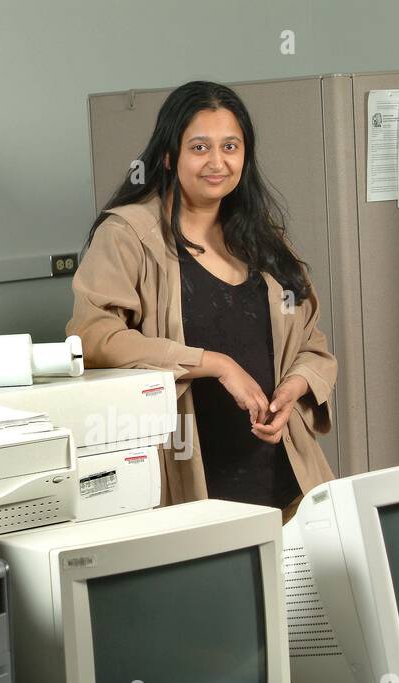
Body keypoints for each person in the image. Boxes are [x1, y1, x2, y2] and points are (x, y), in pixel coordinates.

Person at [68, 80, 336, 515]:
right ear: (169, 156)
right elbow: (93, 338)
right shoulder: (129, 235)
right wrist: (215, 365)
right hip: (190, 480)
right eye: (199, 148)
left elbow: (311, 344)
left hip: (286, 484)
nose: (217, 162)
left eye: (230, 146)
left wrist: (295, 386)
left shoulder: (263, 239)